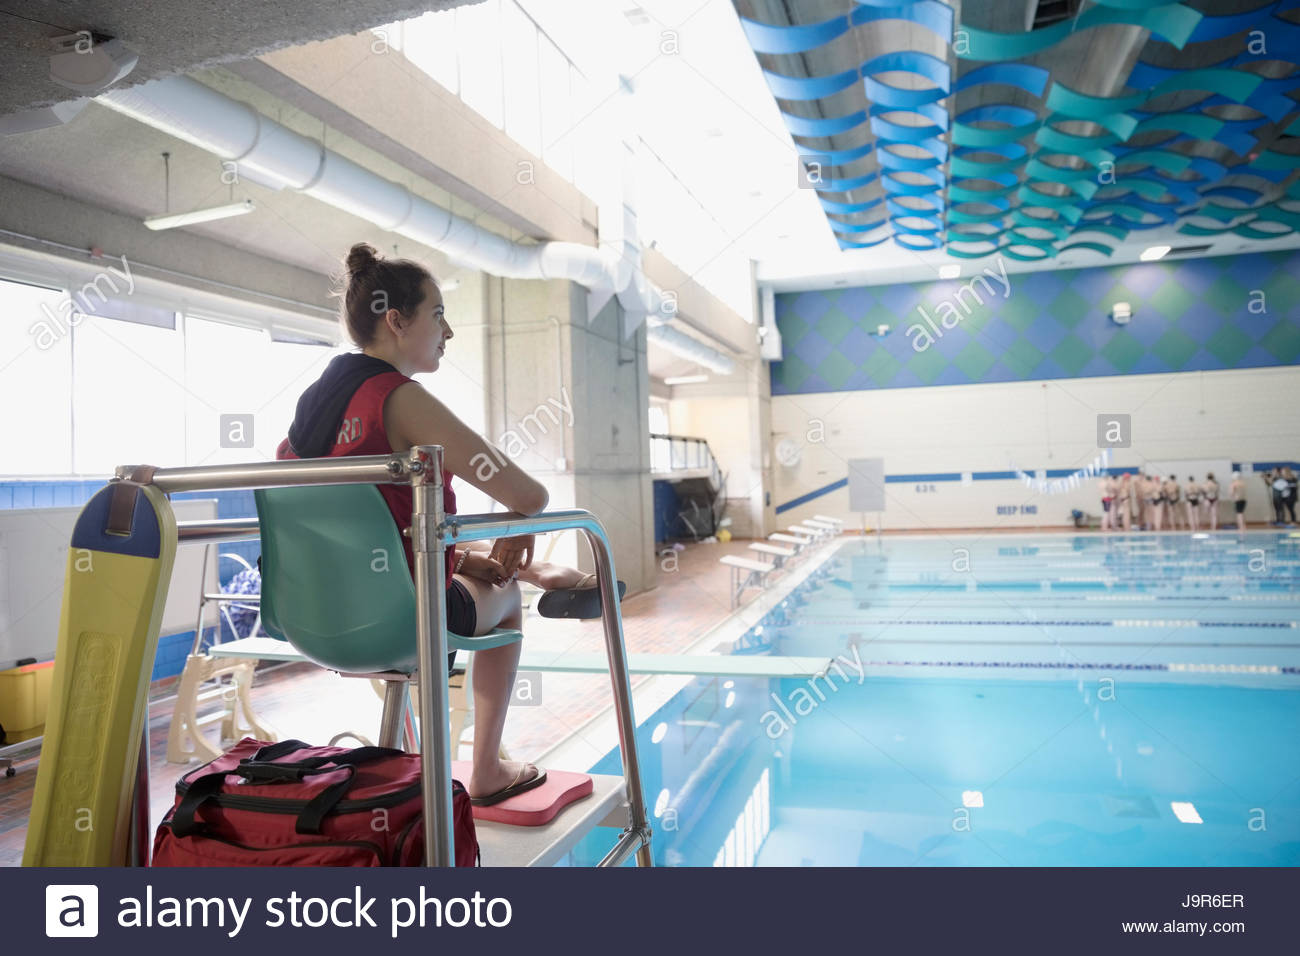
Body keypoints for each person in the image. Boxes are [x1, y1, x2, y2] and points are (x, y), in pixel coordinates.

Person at [275, 243, 621, 806]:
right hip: (398, 622)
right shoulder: (399, 397)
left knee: (474, 565)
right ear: (396, 320)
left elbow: (371, 534)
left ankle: (514, 574)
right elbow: (529, 492)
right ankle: (486, 768)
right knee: (506, 595)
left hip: (311, 622)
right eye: (438, 314)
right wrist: (519, 518)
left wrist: (467, 556)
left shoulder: (309, 417)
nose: (448, 331)